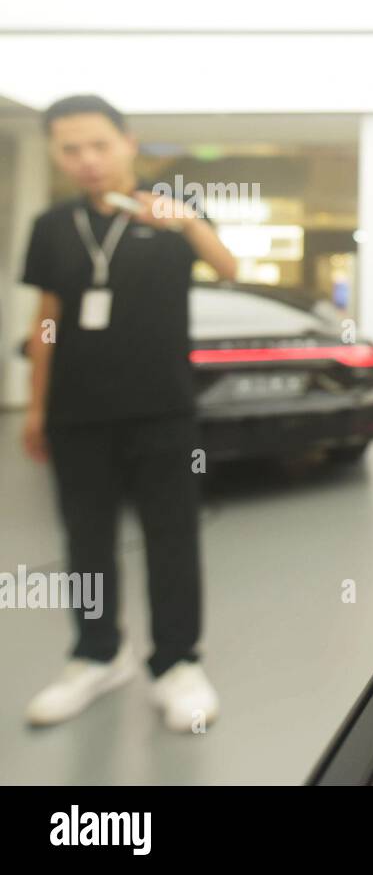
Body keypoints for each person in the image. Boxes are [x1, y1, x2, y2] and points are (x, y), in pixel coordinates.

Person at [21, 95, 238, 730]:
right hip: (76, 413)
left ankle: (176, 662)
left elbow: (228, 269)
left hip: (162, 409)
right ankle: (97, 654)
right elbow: (48, 320)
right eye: (70, 149)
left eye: (98, 145)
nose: (86, 160)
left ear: (127, 143)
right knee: (85, 539)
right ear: (57, 155)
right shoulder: (53, 225)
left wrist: (185, 223)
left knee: (172, 535)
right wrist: (35, 406)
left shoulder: (173, 209)